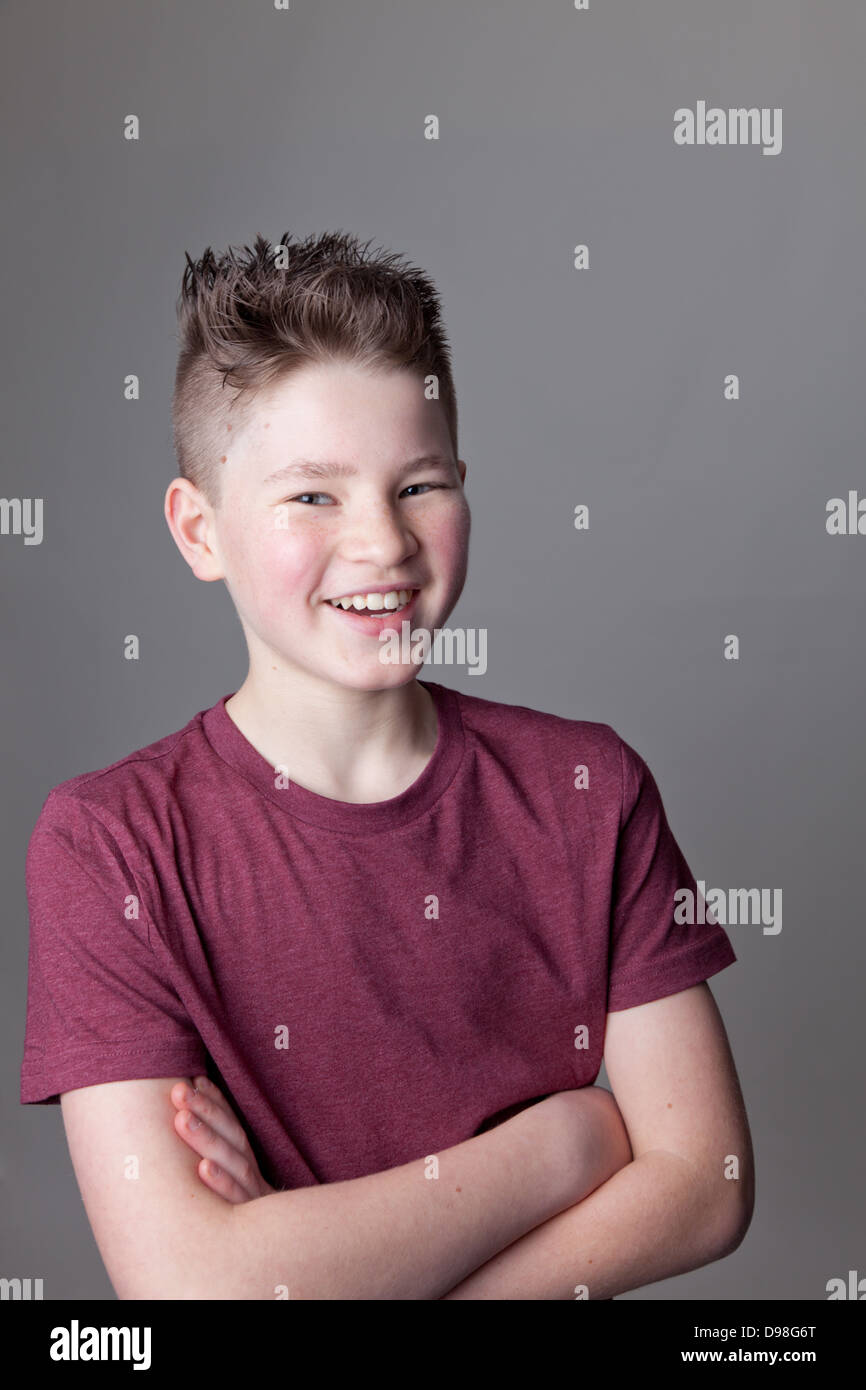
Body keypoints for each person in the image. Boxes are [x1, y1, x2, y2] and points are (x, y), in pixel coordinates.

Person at [20, 230, 753, 1300]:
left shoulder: (587, 791)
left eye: (418, 485)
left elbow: (703, 1183)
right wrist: (567, 1141)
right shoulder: (109, 843)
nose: (381, 543)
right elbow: (195, 1288)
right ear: (199, 530)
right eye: (311, 496)